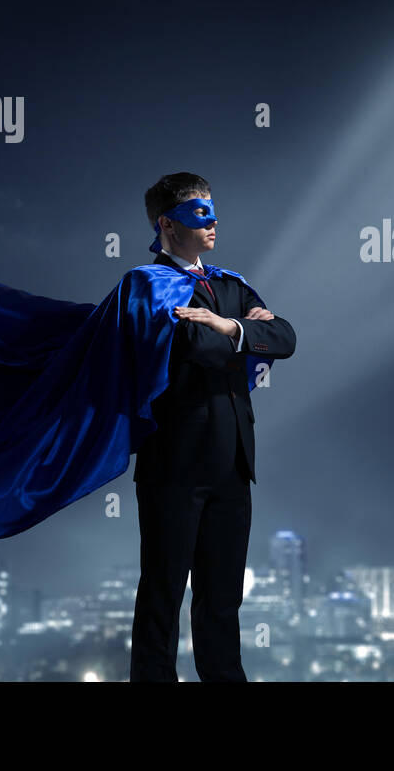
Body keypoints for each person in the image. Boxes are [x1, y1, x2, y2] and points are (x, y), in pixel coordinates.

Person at [130, 172, 296, 682]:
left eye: (213, 210)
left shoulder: (229, 283)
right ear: (167, 224)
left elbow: (285, 338)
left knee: (223, 595)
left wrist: (231, 327)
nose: (214, 222)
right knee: (163, 591)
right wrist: (247, 331)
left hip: (233, 461)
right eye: (200, 213)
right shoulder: (147, 285)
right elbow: (196, 349)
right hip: (174, 461)